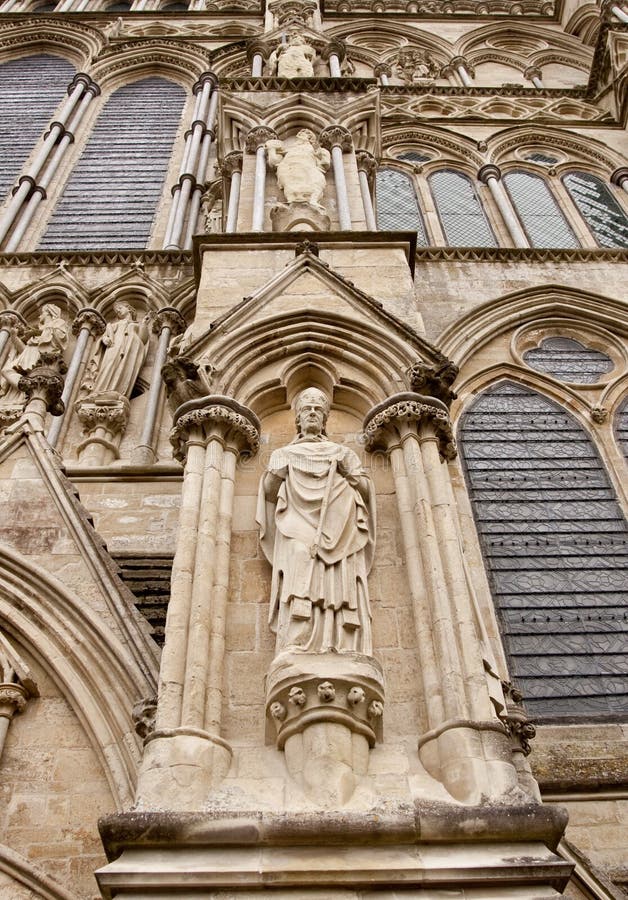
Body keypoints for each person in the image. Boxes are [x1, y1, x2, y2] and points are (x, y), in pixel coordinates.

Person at [257, 387, 376, 655]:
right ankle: (298, 638)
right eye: (306, 410)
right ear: (297, 419)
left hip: (340, 524)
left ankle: (342, 642)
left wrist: (349, 473)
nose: (312, 414)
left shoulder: (342, 453)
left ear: (324, 420)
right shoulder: (282, 454)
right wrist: (277, 473)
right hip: (296, 522)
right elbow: (268, 490)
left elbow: (366, 489)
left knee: (338, 574)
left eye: (317, 411)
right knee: (299, 558)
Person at [0, 304, 68, 405]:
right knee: (6, 370)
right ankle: (27, 390)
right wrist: (14, 336)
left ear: (50, 313)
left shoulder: (58, 322)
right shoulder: (39, 332)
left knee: (24, 374)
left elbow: (59, 336)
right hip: (30, 354)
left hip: (41, 354)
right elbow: (25, 350)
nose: (40, 316)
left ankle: (28, 392)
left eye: (43, 313)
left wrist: (37, 332)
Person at [82, 301, 149, 400]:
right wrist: (104, 339)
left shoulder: (136, 324)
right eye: (117, 312)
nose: (118, 312)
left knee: (124, 369)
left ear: (129, 309)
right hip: (114, 347)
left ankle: (117, 391)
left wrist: (144, 324)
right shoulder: (113, 325)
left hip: (130, 351)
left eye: (120, 309)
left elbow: (143, 339)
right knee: (109, 366)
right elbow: (105, 337)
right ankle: (100, 390)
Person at [266, 129, 330, 208]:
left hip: (308, 168)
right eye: (298, 135)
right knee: (289, 184)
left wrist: (323, 153)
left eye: (302, 135)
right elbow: (274, 162)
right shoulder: (287, 150)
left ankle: (313, 201)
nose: (298, 136)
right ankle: (291, 201)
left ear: (309, 138)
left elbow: (325, 162)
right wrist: (271, 149)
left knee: (316, 183)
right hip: (289, 168)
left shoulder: (314, 150)